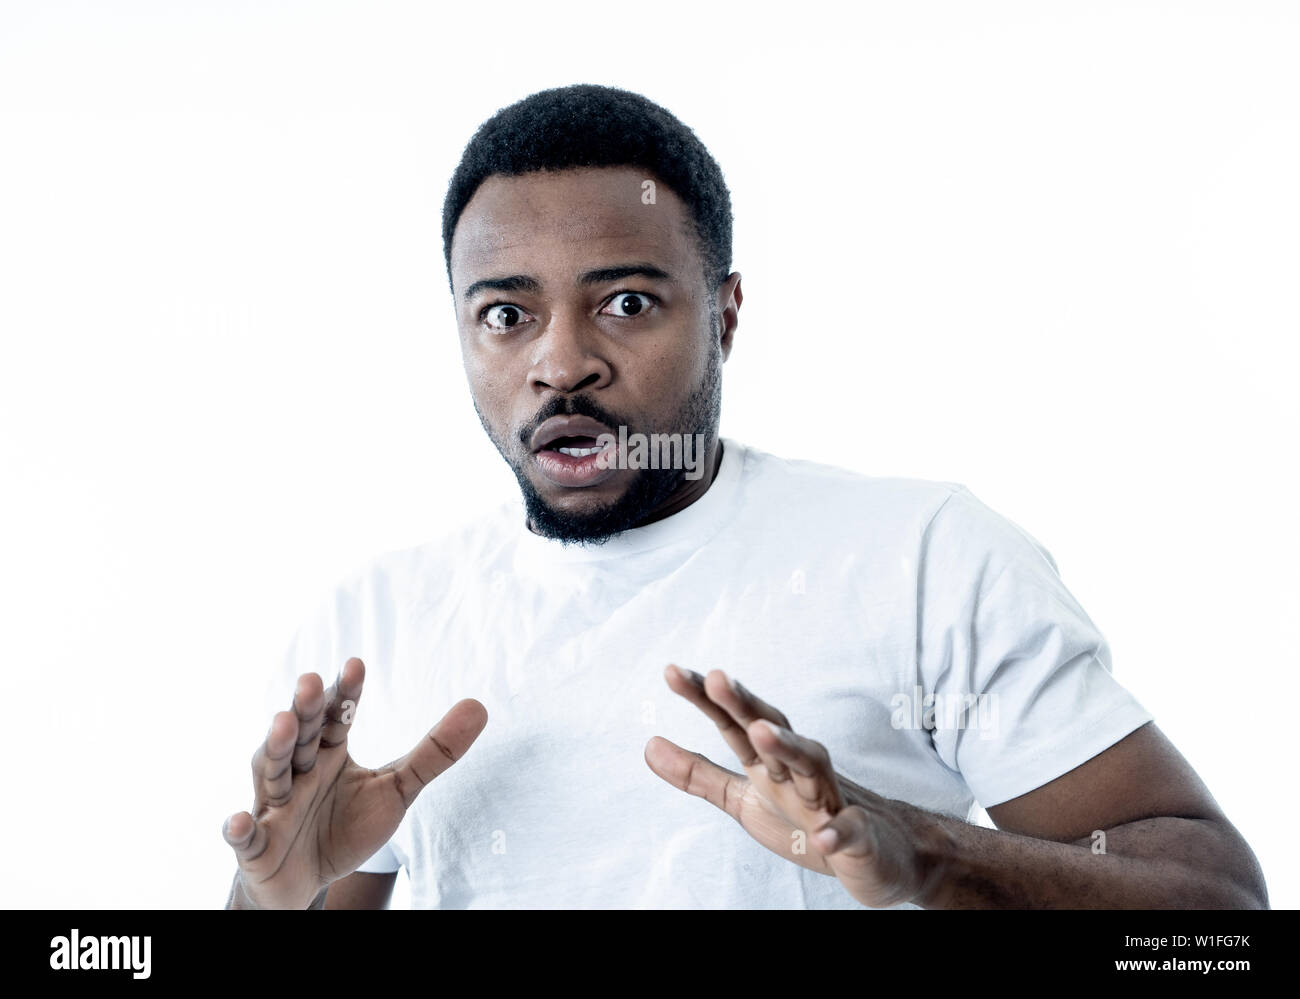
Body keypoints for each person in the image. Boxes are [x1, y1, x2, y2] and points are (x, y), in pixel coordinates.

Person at [222, 84, 1268, 910]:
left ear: (724, 316)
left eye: (626, 302)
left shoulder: (921, 559)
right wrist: (272, 900)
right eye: (505, 313)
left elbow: (1210, 913)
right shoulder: (377, 622)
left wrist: (925, 853)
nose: (562, 361)